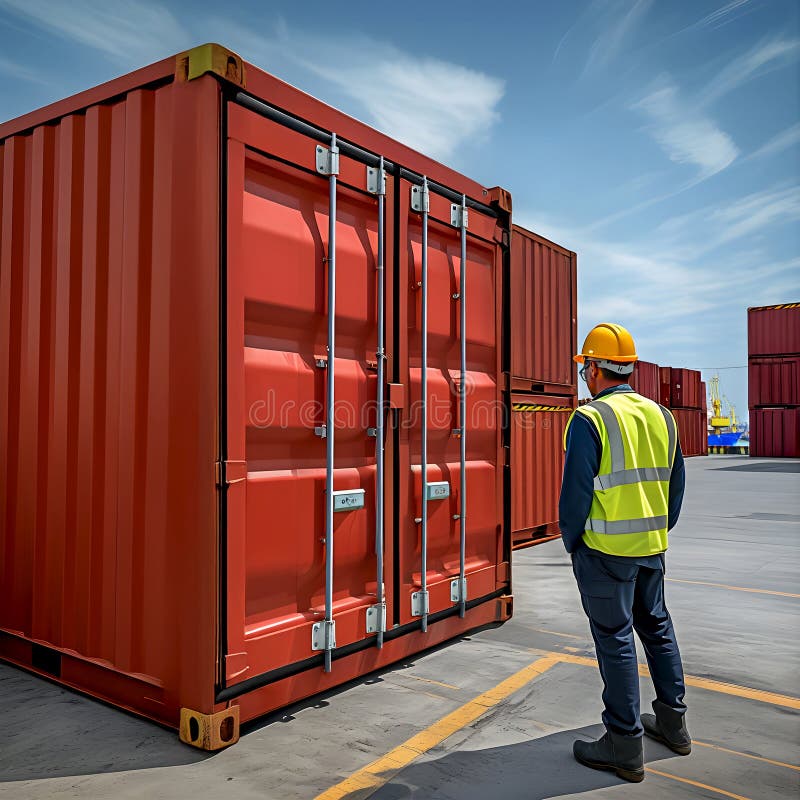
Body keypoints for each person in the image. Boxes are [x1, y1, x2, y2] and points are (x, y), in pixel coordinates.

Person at [559, 323, 690, 783]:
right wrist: (655, 530)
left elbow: (574, 496)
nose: (583, 376)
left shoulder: (589, 419)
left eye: (584, 368)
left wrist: (573, 543)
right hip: (651, 548)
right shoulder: (663, 416)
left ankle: (623, 743)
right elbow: (675, 490)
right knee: (657, 628)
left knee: (614, 638)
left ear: (594, 368)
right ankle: (673, 723)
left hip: (604, 551)